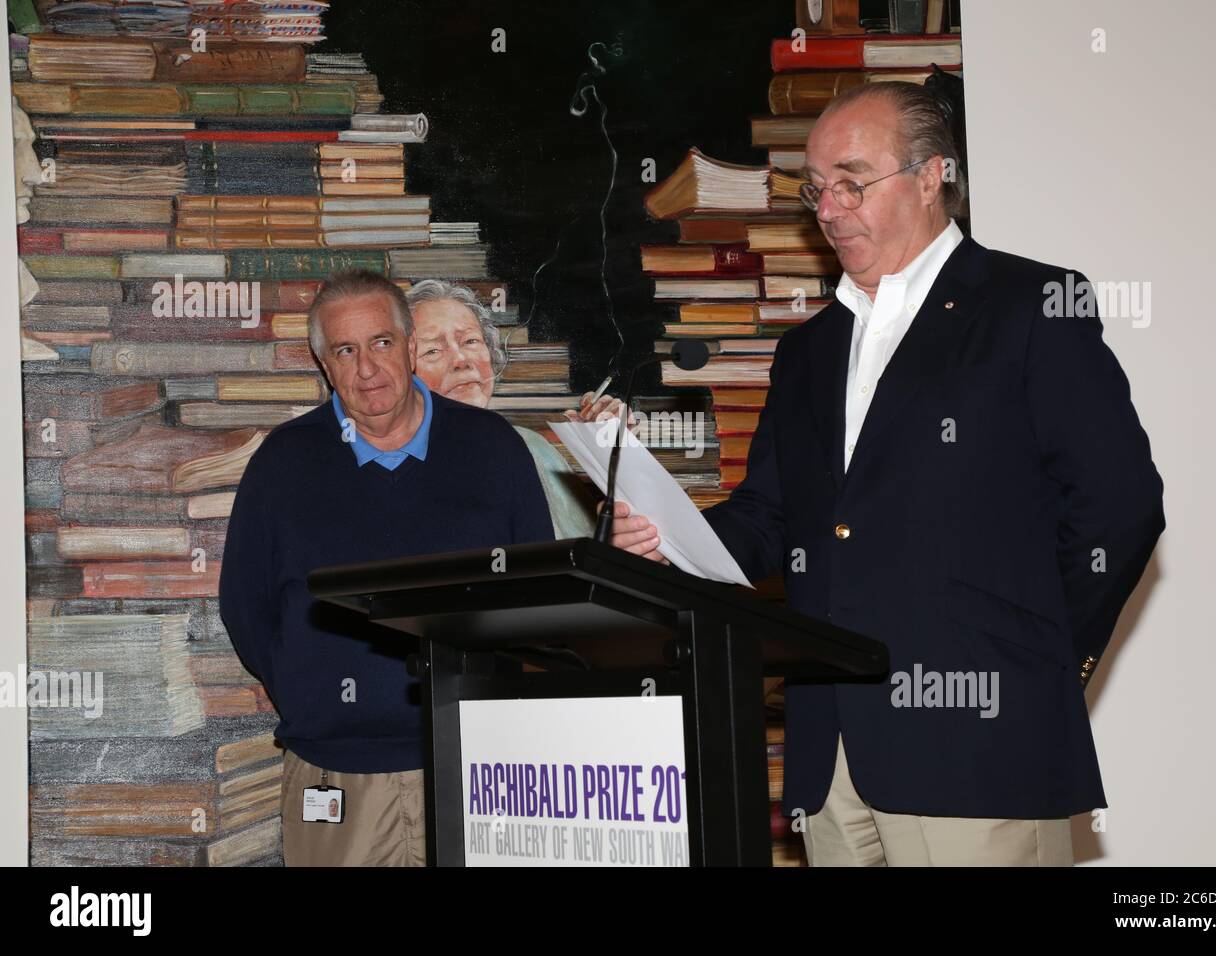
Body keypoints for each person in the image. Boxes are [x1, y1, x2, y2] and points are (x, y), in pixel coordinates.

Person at [610, 82, 1165, 866]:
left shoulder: (1032, 303)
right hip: (828, 758)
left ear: (935, 175)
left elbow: (1121, 504)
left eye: (851, 181)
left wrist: (1038, 659)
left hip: (980, 749)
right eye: (815, 190)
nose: (829, 209)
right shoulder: (808, 352)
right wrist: (672, 535)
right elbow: (769, 518)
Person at [219, 269, 553, 866]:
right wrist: (314, 696)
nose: (367, 369)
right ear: (324, 364)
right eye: (346, 350)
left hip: (478, 767)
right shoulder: (284, 463)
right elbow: (247, 608)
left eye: (380, 343)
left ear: (405, 344)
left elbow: (535, 596)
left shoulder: (493, 448)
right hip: (335, 773)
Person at [406, 278, 620, 539]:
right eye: (432, 351)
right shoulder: (401, 466)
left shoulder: (533, 446)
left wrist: (612, 457)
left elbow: (591, 558)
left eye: (471, 341)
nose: (461, 361)